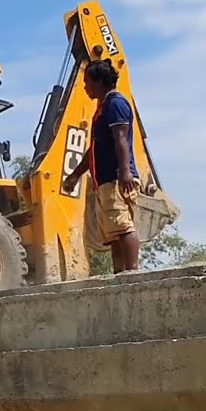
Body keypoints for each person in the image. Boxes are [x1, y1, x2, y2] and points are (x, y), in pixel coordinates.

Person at [63, 59, 141, 273]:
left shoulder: (116, 104)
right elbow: (95, 150)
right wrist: (75, 175)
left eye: (88, 82)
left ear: (100, 81)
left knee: (122, 225)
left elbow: (122, 139)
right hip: (103, 180)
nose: (86, 87)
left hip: (116, 178)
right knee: (112, 232)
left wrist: (124, 172)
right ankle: (120, 274)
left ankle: (132, 272)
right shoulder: (103, 108)